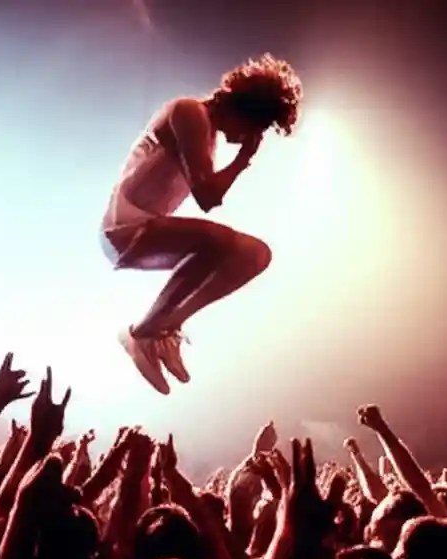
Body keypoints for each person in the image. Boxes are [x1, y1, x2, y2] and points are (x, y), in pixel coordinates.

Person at [100, 54, 303, 394]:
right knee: (218, 240)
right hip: (123, 231)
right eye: (259, 127)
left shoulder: (207, 132)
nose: (256, 136)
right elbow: (207, 197)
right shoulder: (190, 112)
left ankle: (166, 328)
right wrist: (243, 160)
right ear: (245, 110)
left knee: (255, 254)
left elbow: (210, 197)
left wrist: (241, 159)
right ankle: (142, 333)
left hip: (149, 231)